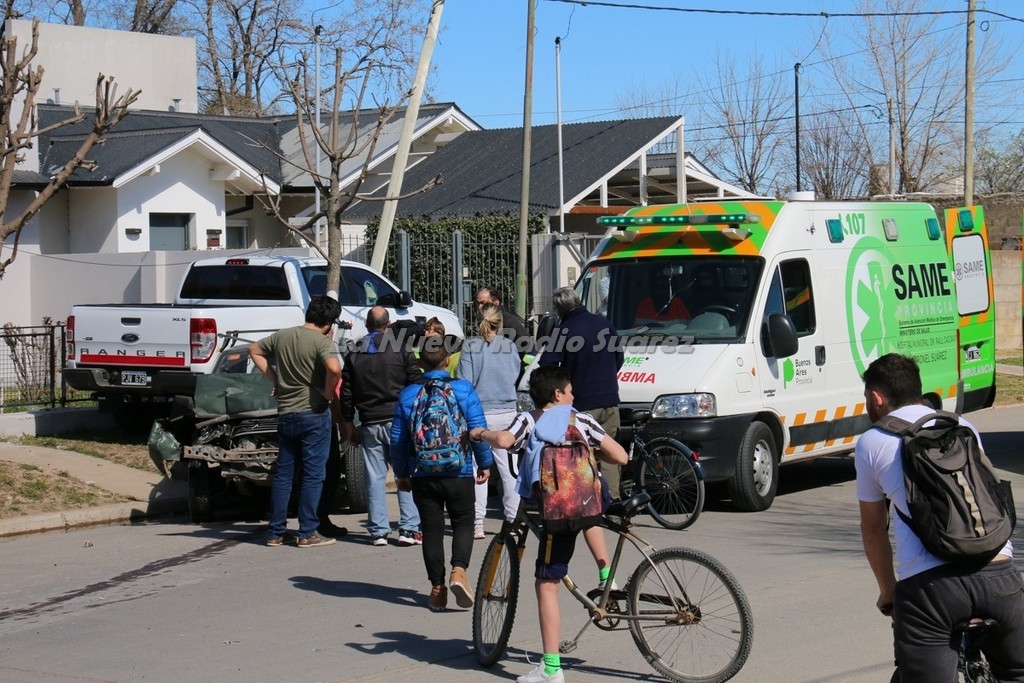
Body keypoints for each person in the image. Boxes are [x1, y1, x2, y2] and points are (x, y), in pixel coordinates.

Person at [855, 353, 1024, 682]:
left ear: (876, 398)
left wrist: (889, 592)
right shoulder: (962, 426)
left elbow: (873, 529)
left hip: (932, 594)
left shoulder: (871, 443)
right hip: (1001, 575)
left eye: (866, 400)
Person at [474, 365, 628, 683]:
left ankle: (552, 668)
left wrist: (479, 433)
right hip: (589, 507)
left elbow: (504, 440)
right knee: (591, 513)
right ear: (558, 394)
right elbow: (621, 456)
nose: (574, 396)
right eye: (570, 391)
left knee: (546, 585)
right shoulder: (581, 419)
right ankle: (606, 576)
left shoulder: (530, 419)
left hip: (557, 515)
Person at [392, 334, 493, 612]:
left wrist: (401, 472)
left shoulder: (409, 393)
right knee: (463, 521)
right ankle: (458, 571)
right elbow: (477, 429)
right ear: (448, 360)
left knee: (432, 529)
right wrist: (484, 464)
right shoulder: (463, 389)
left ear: (420, 363)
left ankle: (437, 590)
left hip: (423, 472)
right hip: (458, 471)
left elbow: (399, 439)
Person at [249, 295, 343, 548]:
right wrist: (326, 391)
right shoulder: (323, 342)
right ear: (329, 323)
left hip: (286, 413)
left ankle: (275, 532)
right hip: (313, 414)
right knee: (313, 475)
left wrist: (276, 379)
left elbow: (254, 350)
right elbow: (335, 369)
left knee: (284, 474)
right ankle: (307, 532)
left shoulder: (283, 335)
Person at [340, 306, 423, 547]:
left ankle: (378, 531)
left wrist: (348, 423)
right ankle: (408, 528)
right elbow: (416, 383)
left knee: (374, 477)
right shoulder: (400, 347)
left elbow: (346, 392)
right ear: (388, 325)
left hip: (369, 422)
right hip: (399, 421)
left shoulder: (355, 351)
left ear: (367, 325)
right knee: (404, 473)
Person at [538, 286, 624, 501]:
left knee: (582, 453)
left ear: (559, 310)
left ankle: (587, 500)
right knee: (608, 451)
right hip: (610, 399)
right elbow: (619, 358)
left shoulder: (564, 329)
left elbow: (546, 363)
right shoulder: (605, 323)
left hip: (583, 402)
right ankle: (612, 501)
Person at [457, 303, 522, 538]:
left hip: (479, 413)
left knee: (478, 469)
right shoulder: (509, 346)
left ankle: (477, 523)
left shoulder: (470, 347)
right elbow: (515, 374)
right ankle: (513, 519)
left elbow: (464, 383)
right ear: (500, 322)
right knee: (509, 470)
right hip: (506, 412)